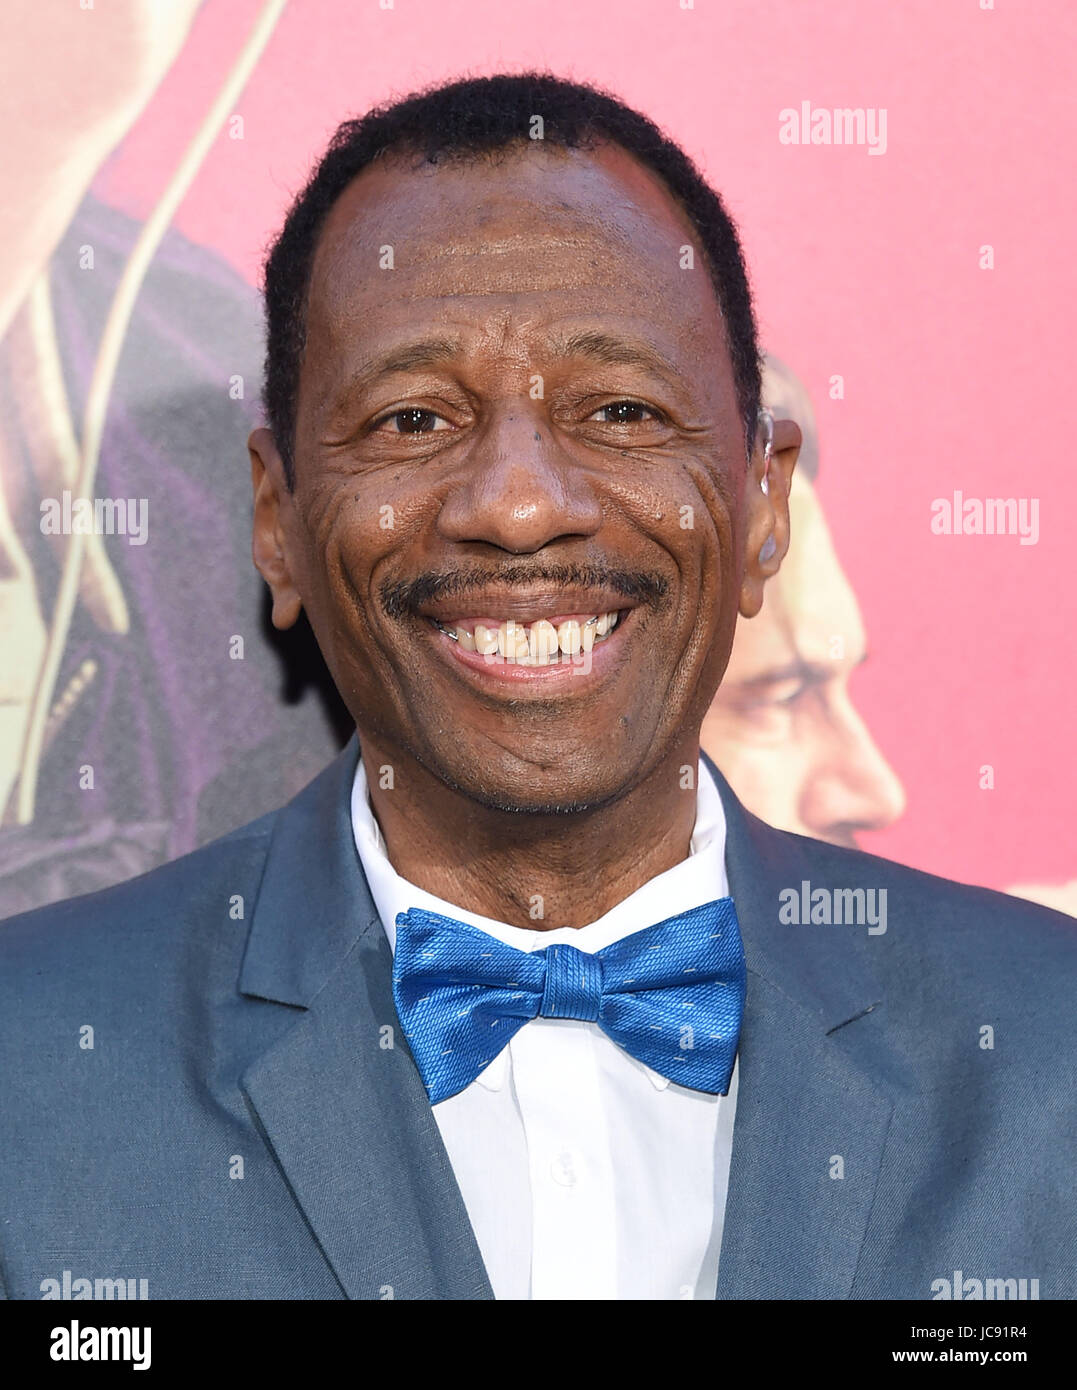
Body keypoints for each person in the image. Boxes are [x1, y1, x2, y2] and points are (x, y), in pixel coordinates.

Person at [1, 72, 1073, 1301]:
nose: (517, 506)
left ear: (763, 504)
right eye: (412, 420)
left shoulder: (1052, 1053)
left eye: (620, 409)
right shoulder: (27, 1075)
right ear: (278, 520)